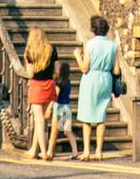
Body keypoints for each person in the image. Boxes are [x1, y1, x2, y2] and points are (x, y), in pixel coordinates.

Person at [75, 15, 119, 161]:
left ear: (93, 29)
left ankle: (87, 151)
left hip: (91, 79)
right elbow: (116, 71)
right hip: (105, 80)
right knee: (101, 117)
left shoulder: (90, 44)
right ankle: (99, 151)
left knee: (87, 117)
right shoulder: (113, 45)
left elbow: (84, 68)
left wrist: (77, 56)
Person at [24, 27, 58, 161]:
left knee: (38, 121)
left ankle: (43, 152)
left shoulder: (29, 52)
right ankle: (34, 150)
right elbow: (57, 71)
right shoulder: (52, 49)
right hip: (49, 85)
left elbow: (30, 74)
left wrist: (27, 63)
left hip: (36, 85)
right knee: (44, 121)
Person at [48, 60, 79, 160]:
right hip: (67, 107)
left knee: (54, 131)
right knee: (67, 131)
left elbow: (55, 96)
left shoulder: (59, 83)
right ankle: (75, 151)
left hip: (59, 107)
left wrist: (49, 107)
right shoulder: (68, 82)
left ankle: (49, 152)